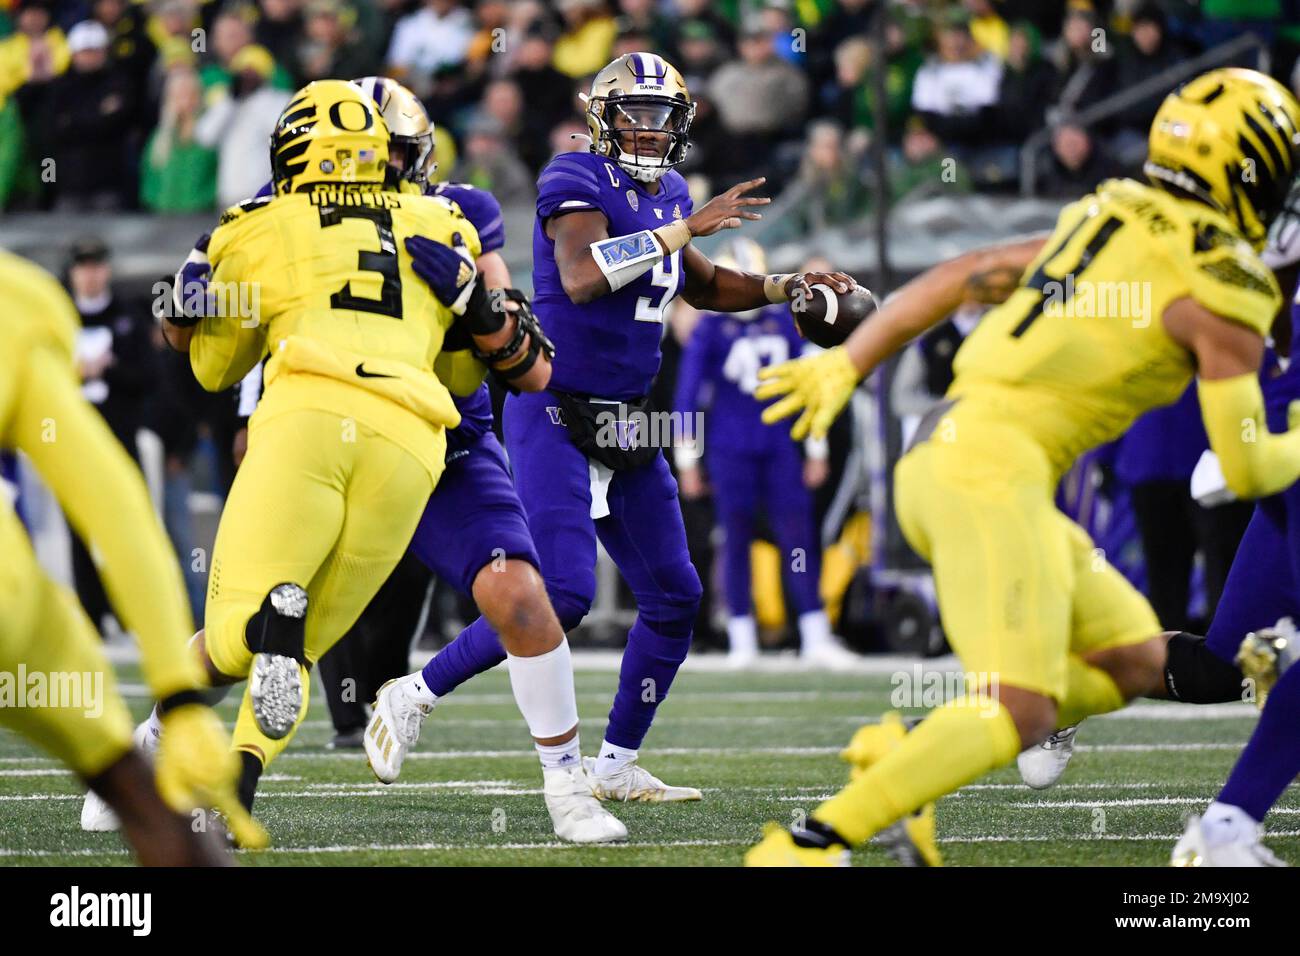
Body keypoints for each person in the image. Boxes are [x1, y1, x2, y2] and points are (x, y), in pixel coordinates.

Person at [749, 68, 1300, 865]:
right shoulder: (1226, 285)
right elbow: (1249, 470)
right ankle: (812, 845)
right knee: (1025, 706)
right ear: (1244, 172)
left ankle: (905, 749)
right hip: (988, 475)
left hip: (956, 454)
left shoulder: (1104, 211)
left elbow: (967, 273)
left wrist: (848, 364)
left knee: (1136, 656)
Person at [370, 52, 854, 803]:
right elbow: (582, 275)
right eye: (634, 112)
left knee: (675, 595)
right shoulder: (575, 177)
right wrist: (681, 229)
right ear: (603, 116)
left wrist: (782, 285)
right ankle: (414, 692)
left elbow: (701, 281)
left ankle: (616, 761)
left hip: (629, 419)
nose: (649, 129)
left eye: (662, 116)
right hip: (555, 406)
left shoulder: (671, 193)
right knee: (561, 594)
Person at [153, 80, 562, 829]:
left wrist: (183, 313)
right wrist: (475, 307)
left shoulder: (281, 214)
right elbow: (494, 367)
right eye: (390, 154)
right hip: (415, 437)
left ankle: (175, 727)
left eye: (406, 153)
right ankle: (234, 776)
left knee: (245, 628)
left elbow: (208, 356)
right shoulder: (441, 222)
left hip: (374, 431)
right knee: (300, 643)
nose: (397, 167)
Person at [0, 248, 263, 864]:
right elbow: (116, 510)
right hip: (15, 616)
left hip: (22, 618)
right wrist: (176, 688)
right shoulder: (18, 302)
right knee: (140, 797)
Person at [673, 237, 854, 667]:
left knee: (798, 536)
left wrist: (816, 447)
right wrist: (687, 460)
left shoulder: (782, 320)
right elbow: (686, 398)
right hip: (729, 448)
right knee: (734, 539)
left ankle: (813, 630)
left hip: (778, 446)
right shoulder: (712, 328)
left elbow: (810, 387)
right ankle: (741, 633)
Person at [64, 237, 158, 636]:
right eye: (83, 266)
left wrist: (109, 369)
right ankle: (91, 612)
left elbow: (150, 376)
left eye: (97, 265)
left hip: (119, 437)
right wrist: (76, 372)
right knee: (79, 528)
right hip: (72, 441)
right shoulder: (58, 316)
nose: (90, 274)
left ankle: (129, 610)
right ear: (73, 272)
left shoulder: (129, 316)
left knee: (129, 526)